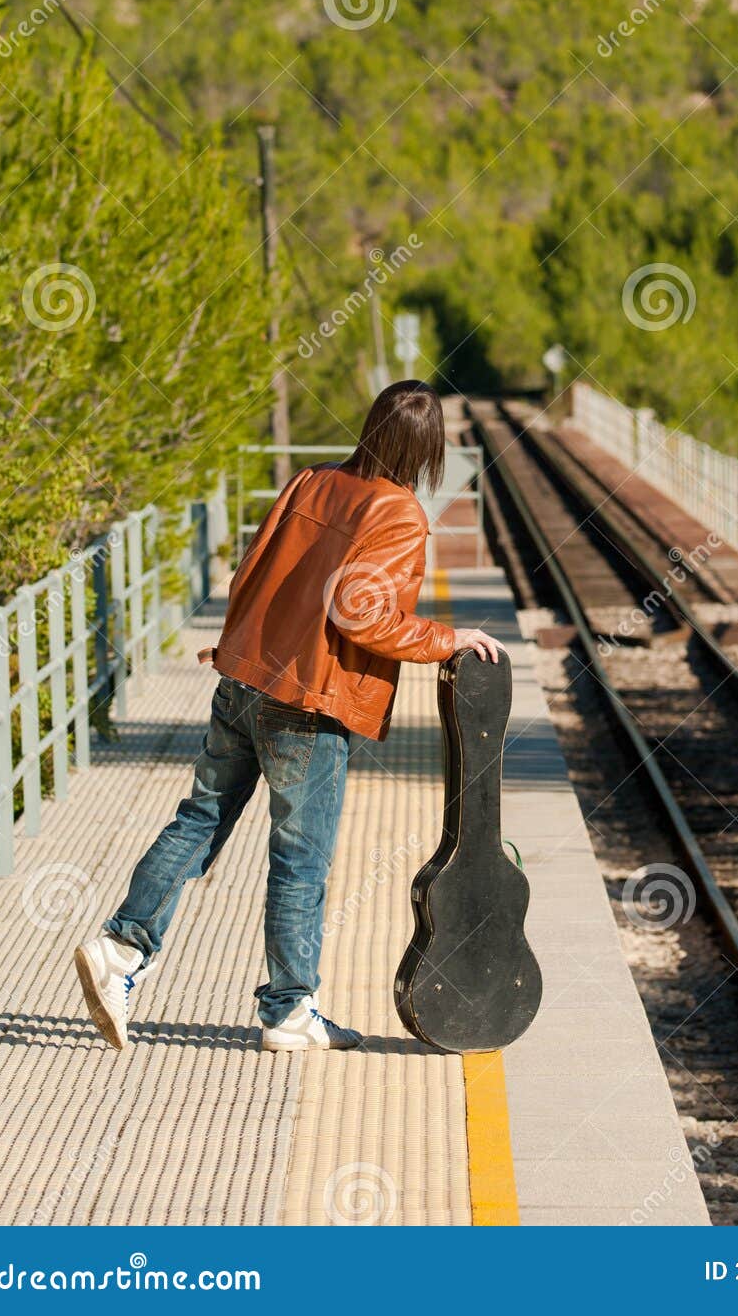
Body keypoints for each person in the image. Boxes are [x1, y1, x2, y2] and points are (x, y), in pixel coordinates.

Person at [74, 381, 504, 1053]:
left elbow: (253, 567)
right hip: (308, 702)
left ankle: (122, 947)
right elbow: (364, 617)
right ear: (429, 448)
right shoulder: (398, 514)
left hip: (245, 680)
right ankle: (289, 1011)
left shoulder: (312, 481)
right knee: (301, 861)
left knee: (199, 820)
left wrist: (234, 644)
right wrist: (448, 639)